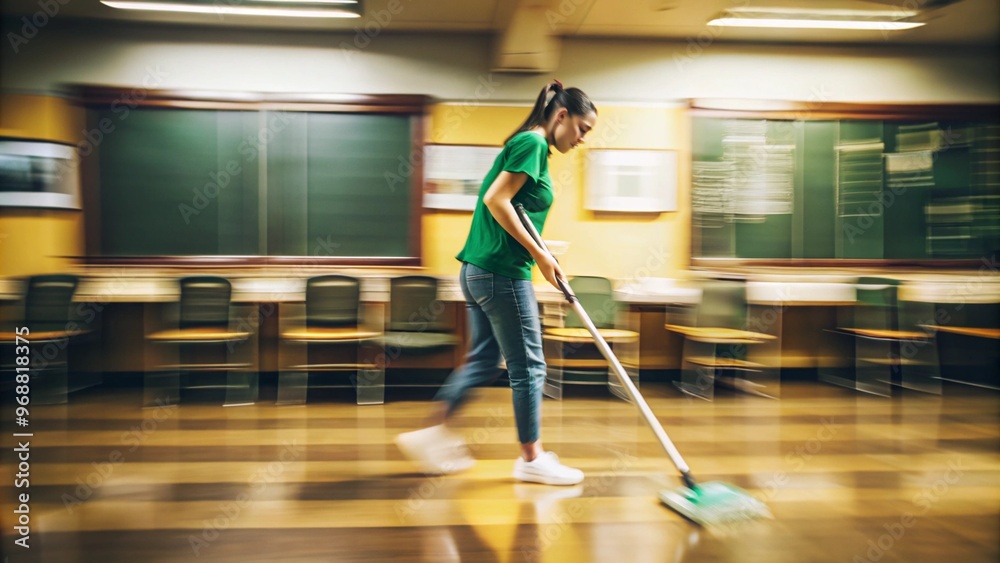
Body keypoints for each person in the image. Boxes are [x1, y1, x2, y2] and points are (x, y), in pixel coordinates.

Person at [396, 80, 597, 485]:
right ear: (561, 116)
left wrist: (543, 248)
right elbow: (496, 199)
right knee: (529, 366)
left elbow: (512, 209)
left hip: (479, 270)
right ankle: (531, 458)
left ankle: (431, 433)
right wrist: (540, 255)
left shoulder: (528, 145)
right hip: (502, 273)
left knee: (485, 359)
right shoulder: (534, 145)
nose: (581, 140)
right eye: (582, 129)